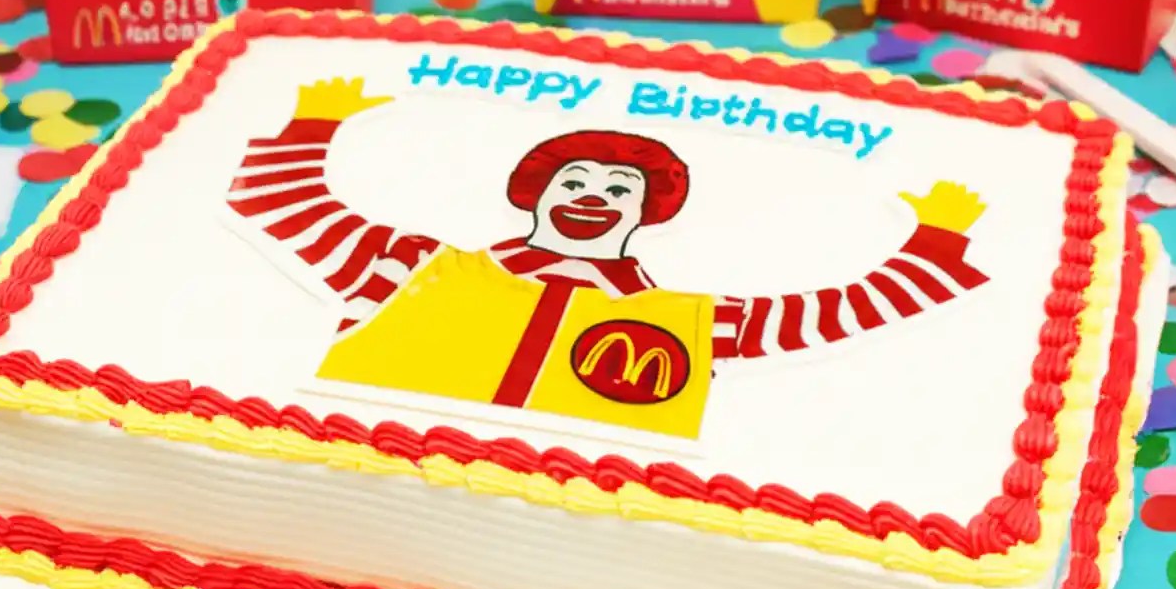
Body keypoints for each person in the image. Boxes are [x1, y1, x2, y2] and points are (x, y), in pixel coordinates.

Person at [225, 78, 989, 439]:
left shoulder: (688, 320)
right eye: (575, 179)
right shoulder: (412, 263)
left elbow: (829, 316)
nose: (594, 195)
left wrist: (935, 240)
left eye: (619, 186)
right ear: (535, 193)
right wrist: (314, 122)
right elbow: (285, 209)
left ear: (644, 211)